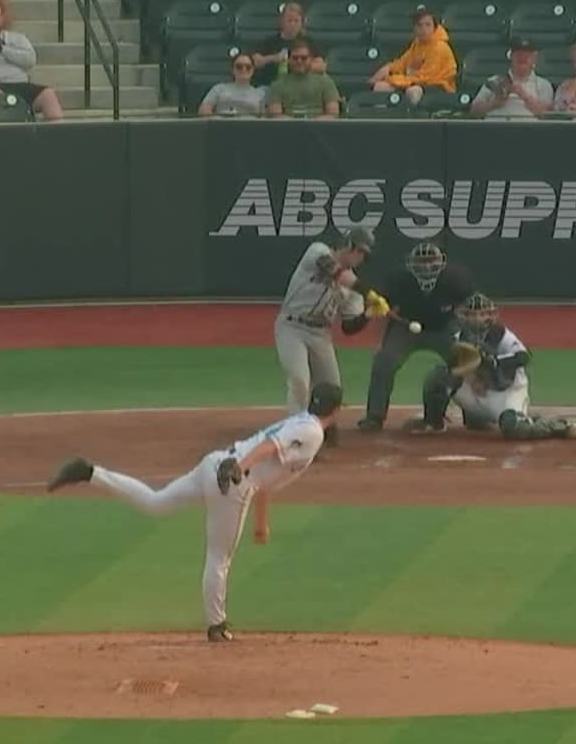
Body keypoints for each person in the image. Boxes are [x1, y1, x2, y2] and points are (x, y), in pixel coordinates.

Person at [45, 383, 346, 643]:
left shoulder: (300, 421)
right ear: (337, 410)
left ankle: (90, 473)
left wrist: (261, 523)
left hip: (213, 464)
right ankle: (216, 625)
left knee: (156, 502)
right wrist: (238, 470)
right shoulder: (311, 432)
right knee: (219, 556)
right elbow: (269, 448)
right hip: (233, 480)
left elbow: (271, 474)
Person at [404, 293, 576, 440]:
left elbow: (523, 357)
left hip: (505, 392)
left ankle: (554, 425)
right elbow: (455, 364)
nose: (477, 319)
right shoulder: (458, 336)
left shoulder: (501, 334)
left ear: (491, 315)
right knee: (437, 376)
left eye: (482, 314)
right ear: (463, 316)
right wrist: (473, 376)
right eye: (472, 314)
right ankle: (434, 422)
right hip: (475, 392)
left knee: (513, 428)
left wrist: (494, 361)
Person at [354, 242, 475, 431]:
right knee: (383, 363)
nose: (426, 266)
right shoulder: (398, 281)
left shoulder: (455, 280)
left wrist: (465, 337)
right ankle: (374, 417)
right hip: (405, 327)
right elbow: (383, 310)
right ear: (411, 263)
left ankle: (473, 414)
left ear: (441, 263)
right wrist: (379, 342)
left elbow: (468, 310)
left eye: (430, 261)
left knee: (467, 362)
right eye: (421, 261)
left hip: (444, 328)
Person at [273, 227, 374, 429]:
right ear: (348, 245)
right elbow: (334, 271)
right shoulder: (318, 251)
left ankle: (321, 428)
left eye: (364, 254)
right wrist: (369, 292)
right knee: (300, 381)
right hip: (292, 327)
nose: (360, 257)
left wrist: (369, 314)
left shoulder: (353, 290)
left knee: (332, 389)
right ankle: (295, 433)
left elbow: (349, 327)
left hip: (320, 334)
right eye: (359, 251)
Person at [0, 0, 63, 120]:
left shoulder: (18, 38)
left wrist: (2, 50)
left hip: (18, 84)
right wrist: (15, 57)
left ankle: (57, 135)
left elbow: (30, 60)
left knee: (48, 95)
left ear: (2, 17)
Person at [369, 7, 456, 105]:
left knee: (413, 91)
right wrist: (388, 69)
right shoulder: (417, 44)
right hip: (413, 82)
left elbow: (426, 78)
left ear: (434, 27)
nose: (424, 29)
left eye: (428, 25)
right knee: (381, 87)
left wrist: (393, 80)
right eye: (419, 25)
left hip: (438, 86)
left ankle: (413, 117)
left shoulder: (440, 47)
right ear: (414, 28)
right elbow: (402, 64)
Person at [469, 36, 553, 119]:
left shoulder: (543, 85)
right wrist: (494, 103)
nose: (522, 58)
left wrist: (523, 94)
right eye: (518, 54)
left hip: (528, 130)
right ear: (511, 56)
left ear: (535, 58)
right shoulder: (494, 81)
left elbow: (546, 114)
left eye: (527, 55)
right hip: (495, 129)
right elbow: (474, 111)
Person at [250, 2, 322, 87]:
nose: (292, 24)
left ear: (302, 23)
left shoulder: (308, 42)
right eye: (289, 20)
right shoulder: (269, 41)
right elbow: (255, 61)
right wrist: (274, 58)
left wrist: (299, 64)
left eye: (296, 21)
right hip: (271, 86)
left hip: (300, 86)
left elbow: (321, 66)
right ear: (282, 22)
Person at [264, 38, 339, 118]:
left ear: (311, 59)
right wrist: (297, 125)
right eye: (295, 58)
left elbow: (333, 114)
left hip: (320, 128)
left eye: (304, 58)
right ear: (288, 60)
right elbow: (276, 115)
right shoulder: (277, 85)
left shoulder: (326, 82)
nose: (299, 61)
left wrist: (311, 124)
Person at [198, 52, 266, 117]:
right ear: (232, 70)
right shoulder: (218, 89)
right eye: (239, 66)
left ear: (253, 70)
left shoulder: (260, 93)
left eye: (248, 67)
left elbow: (264, 119)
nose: (243, 69)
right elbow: (203, 111)